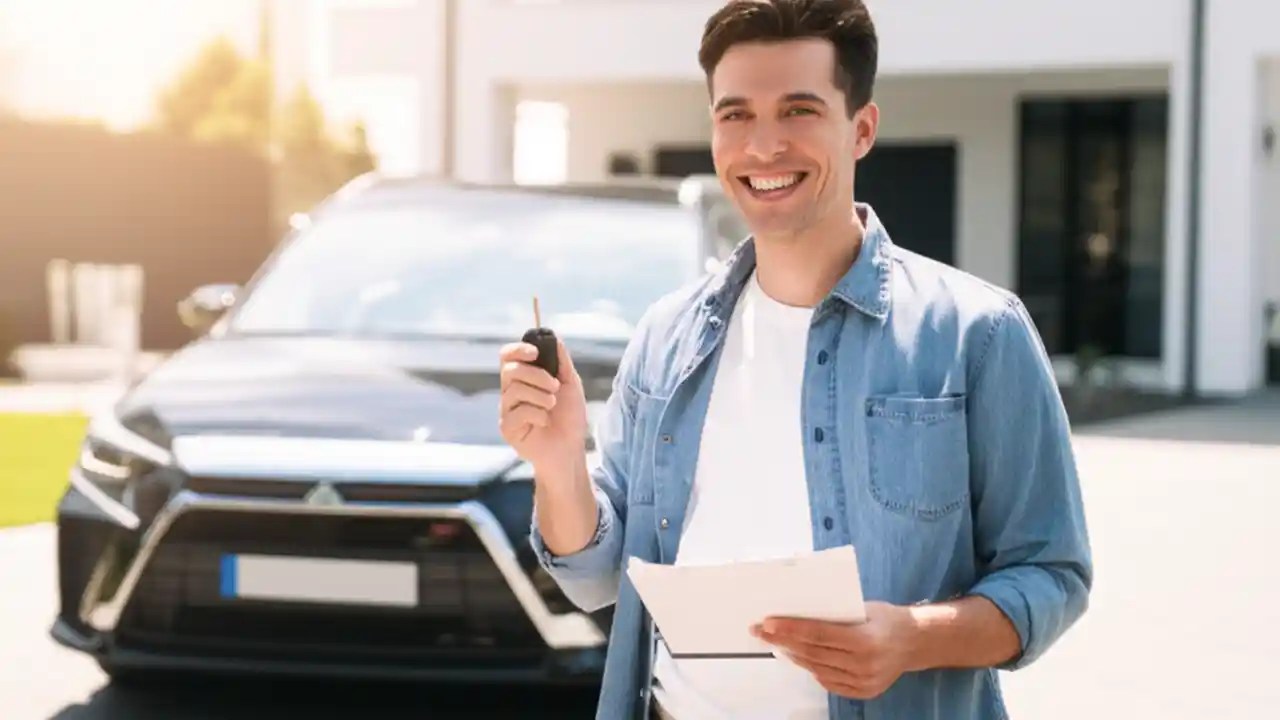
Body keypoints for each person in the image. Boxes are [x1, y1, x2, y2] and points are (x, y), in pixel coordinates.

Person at [497, 1, 1092, 718]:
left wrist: (913, 637)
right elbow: (595, 578)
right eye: (736, 115)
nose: (763, 147)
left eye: (799, 111)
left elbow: (1052, 573)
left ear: (861, 129)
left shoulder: (978, 334)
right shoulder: (665, 336)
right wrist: (559, 466)